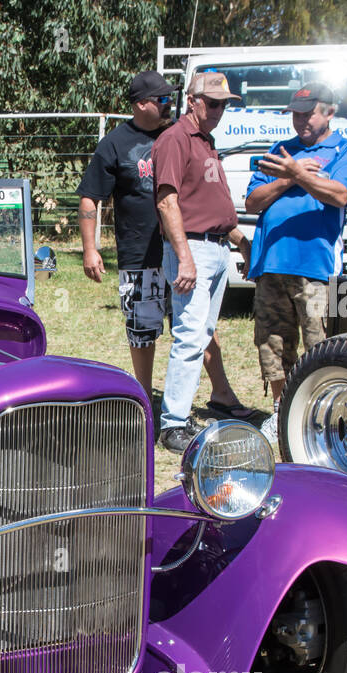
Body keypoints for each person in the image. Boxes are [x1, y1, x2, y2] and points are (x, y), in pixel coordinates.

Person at [76, 70, 253, 420]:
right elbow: (89, 199)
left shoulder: (182, 137)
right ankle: (143, 398)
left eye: (170, 97)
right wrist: (90, 249)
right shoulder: (116, 143)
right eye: (161, 99)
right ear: (140, 103)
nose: (167, 104)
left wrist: (237, 239)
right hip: (141, 251)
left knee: (198, 325)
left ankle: (221, 392)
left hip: (186, 251)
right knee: (143, 330)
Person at [244, 82, 347, 447]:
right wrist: (287, 176)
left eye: (307, 113)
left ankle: (321, 417)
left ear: (329, 111)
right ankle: (282, 412)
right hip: (271, 262)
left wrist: (300, 175)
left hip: (315, 267)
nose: (300, 121)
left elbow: (341, 195)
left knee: (319, 345)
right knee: (272, 343)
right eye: (295, 114)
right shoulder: (280, 152)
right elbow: (252, 202)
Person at [151, 71, 252, 453]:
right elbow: (167, 201)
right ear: (191, 100)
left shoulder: (204, 141)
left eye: (224, 104)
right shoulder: (176, 139)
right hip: (193, 248)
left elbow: (208, 205)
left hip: (214, 246)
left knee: (200, 333)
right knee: (191, 336)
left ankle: (180, 415)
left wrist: (239, 239)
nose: (219, 110)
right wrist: (185, 257)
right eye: (212, 102)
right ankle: (173, 423)